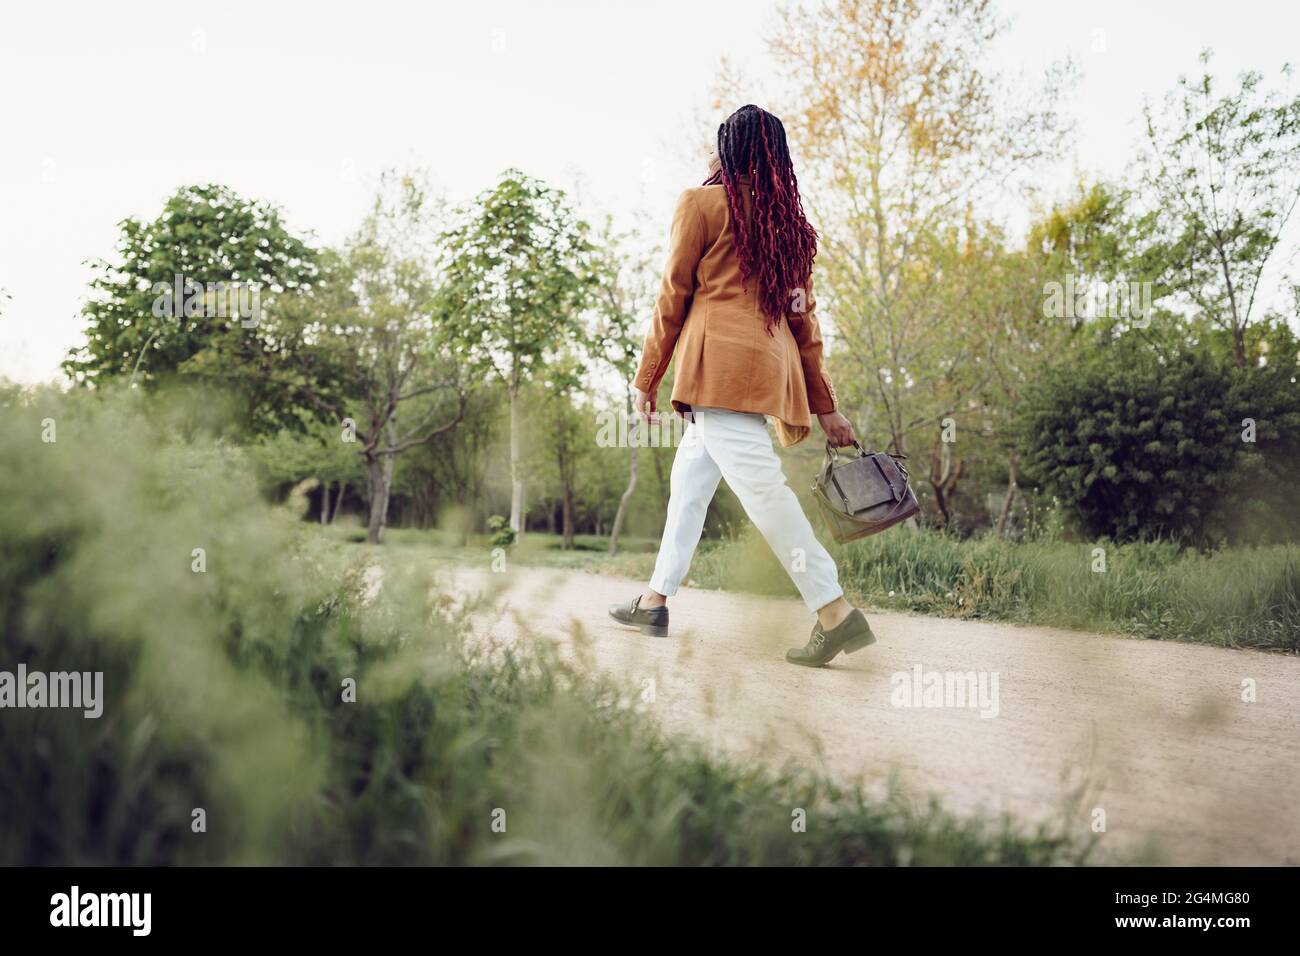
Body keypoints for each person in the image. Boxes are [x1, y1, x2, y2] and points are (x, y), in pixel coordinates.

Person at [607, 104, 875, 668]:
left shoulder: (702, 204)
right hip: (765, 375)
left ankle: (834, 611)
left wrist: (646, 378)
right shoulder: (792, 230)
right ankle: (655, 599)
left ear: (726, 150)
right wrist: (824, 406)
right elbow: (805, 325)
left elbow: (672, 296)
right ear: (776, 157)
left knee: (766, 496)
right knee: (689, 485)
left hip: (718, 375)